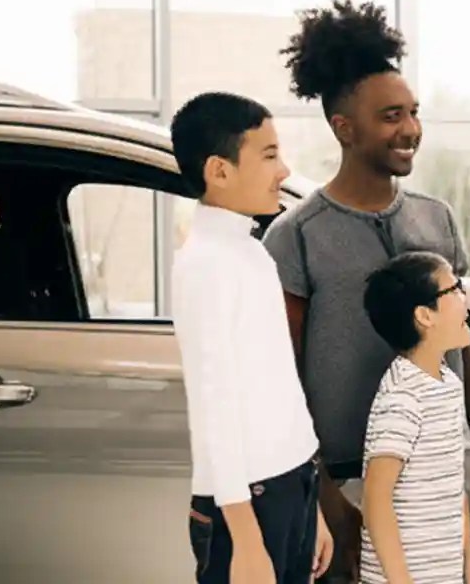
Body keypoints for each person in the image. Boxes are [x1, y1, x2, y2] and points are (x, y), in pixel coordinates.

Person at [265, 0, 470, 580]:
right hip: (341, 485)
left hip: (433, 486)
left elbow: (461, 347)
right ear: (343, 127)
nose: (411, 129)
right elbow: (281, 382)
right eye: (391, 116)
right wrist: (330, 505)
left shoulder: (436, 218)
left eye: (413, 111)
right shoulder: (296, 236)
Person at [170, 92, 334, 584]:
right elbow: (212, 406)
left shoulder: (250, 253)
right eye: (268, 155)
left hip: (289, 486)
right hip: (248, 505)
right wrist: (244, 538)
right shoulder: (205, 265)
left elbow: (282, 389)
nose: (283, 171)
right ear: (219, 171)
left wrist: (313, 503)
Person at [359, 252, 470, 584]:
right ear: (424, 316)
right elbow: (376, 497)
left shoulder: (447, 384)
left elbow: (449, 485)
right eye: (455, 290)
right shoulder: (402, 395)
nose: (465, 299)